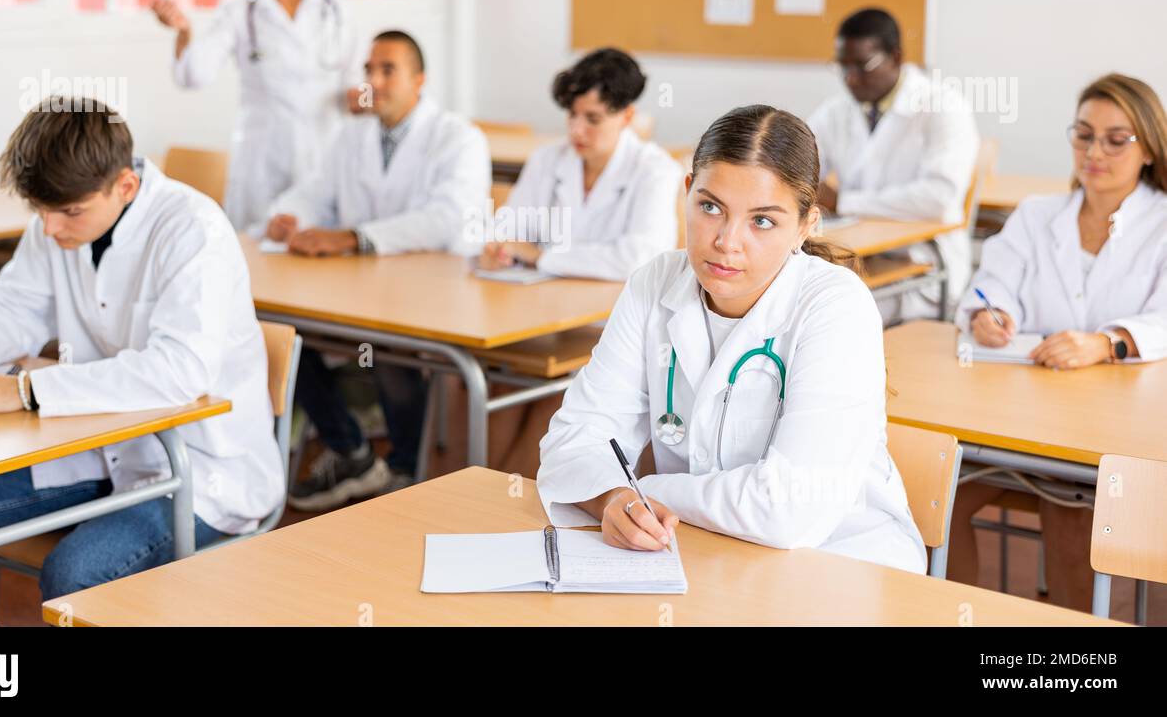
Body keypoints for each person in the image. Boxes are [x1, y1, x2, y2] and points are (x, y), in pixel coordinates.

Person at [0, 99, 282, 626]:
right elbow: (15, 303)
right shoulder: (60, 216)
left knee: (74, 578)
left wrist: (24, 390)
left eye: (68, 213)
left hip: (201, 469)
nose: (50, 229)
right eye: (41, 212)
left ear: (125, 186)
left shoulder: (193, 231)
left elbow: (179, 371)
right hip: (96, 447)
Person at [537, 104, 926, 573]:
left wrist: (641, 490)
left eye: (762, 221)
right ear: (686, 193)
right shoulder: (655, 282)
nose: (726, 241)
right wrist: (612, 499)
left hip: (840, 561)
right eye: (710, 207)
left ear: (806, 226)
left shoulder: (836, 305)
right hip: (705, 551)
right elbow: (573, 441)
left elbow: (789, 511)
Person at [949, 72, 1167, 610]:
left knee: (1069, 520)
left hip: (1111, 437)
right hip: (1021, 423)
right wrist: (990, 312)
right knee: (933, 498)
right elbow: (994, 282)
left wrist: (1109, 342)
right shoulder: (1037, 214)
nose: (1095, 151)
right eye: (1084, 134)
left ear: (1149, 149)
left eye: (1117, 139)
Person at [267, 31, 490, 510]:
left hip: (434, 287)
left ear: (420, 79)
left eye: (388, 70)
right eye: (370, 69)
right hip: (360, 283)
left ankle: (406, 471)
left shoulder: (458, 138)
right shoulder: (352, 134)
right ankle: (354, 451)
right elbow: (315, 190)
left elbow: (447, 218)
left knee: (392, 345)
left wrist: (353, 237)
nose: (375, 80)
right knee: (282, 330)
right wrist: (290, 215)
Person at [477, 47, 682, 477]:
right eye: (572, 115)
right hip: (542, 316)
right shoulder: (550, 160)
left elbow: (639, 256)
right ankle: (474, 487)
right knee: (479, 380)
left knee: (556, 396)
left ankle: (514, 495)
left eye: (592, 119)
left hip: (609, 323)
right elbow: (507, 224)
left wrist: (543, 256)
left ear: (626, 116)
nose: (576, 130)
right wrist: (498, 246)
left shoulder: (654, 170)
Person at [152, 0, 362, 230]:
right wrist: (183, 32)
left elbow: (356, 85)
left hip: (322, 161)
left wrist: (365, 100)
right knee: (257, 262)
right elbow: (194, 75)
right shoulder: (238, 13)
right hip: (261, 164)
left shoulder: (337, 15)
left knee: (324, 260)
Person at [808, 7, 979, 321]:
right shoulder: (837, 111)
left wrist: (843, 201)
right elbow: (801, 165)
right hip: (855, 254)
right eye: (842, 66)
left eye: (862, 65)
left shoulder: (943, 108)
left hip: (923, 265)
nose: (850, 78)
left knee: (832, 317)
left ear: (896, 57)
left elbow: (939, 199)